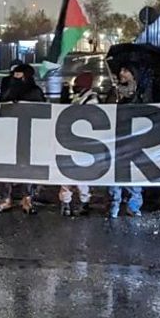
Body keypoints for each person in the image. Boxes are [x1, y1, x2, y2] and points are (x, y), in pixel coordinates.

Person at [0, 63, 45, 215]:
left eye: (18, 74)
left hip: (28, 135)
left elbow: (42, 110)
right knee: (5, 163)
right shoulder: (7, 86)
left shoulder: (34, 91)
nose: (14, 76)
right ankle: (5, 198)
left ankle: (27, 198)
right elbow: (1, 104)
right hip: (8, 133)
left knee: (27, 165)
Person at [109, 64, 145, 218]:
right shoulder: (115, 91)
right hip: (117, 137)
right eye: (121, 70)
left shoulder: (142, 92)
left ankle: (134, 204)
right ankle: (114, 204)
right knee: (115, 172)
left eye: (125, 70)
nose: (121, 73)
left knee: (135, 172)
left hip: (136, 137)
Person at [59, 72, 97, 216]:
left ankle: (83, 202)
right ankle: (66, 202)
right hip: (70, 141)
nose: (75, 88)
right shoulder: (79, 97)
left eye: (77, 86)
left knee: (81, 176)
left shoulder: (91, 99)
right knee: (66, 175)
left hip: (84, 144)